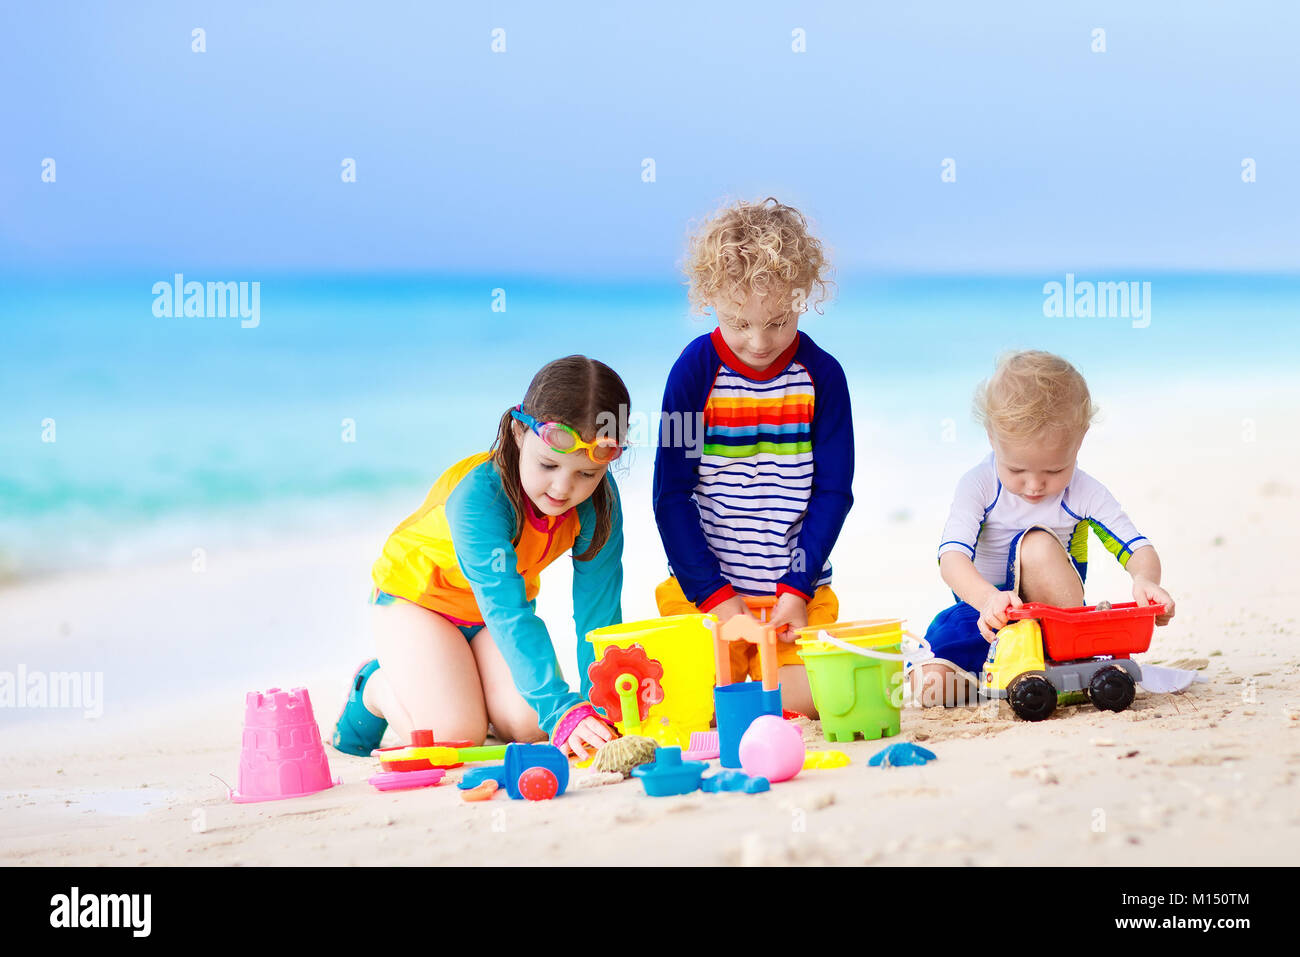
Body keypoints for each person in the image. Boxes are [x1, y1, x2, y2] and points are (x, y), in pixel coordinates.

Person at [332, 356, 629, 759]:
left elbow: (599, 615)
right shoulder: (480, 499)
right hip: (419, 602)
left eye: (586, 474)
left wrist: (604, 705)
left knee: (531, 726)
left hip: (487, 617)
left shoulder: (600, 503)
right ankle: (376, 687)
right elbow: (508, 612)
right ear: (519, 432)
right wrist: (561, 708)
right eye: (548, 464)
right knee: (456, 735)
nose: (563, 488)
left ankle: (462, 687)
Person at [652, 197, 853, 716]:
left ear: (801, 296)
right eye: (740, 323)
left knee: (804, 702)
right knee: (688, 705)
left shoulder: (822, 378)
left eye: (779, 320)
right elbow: (671, 494)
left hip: (795, 598)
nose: (760, 341)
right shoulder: (694, 373)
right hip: (707, 596)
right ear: (710, 299)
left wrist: (797, 591)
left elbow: (833, 492)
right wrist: (715, 597)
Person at [918, 350, 1176, 706]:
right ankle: (996, 680)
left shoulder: (1083, 491)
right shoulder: (977, 485)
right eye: (1017, 471)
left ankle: (1059, 666)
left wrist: (1145, 580)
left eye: (1054, 470)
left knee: (1037, 544)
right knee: (931, 687)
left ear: (1080, 439)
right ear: (992, 437)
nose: (1035, 485)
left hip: (1057, 627)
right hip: (987, 621)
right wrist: (988, 599)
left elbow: (1135, 547)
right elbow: (951, 559)